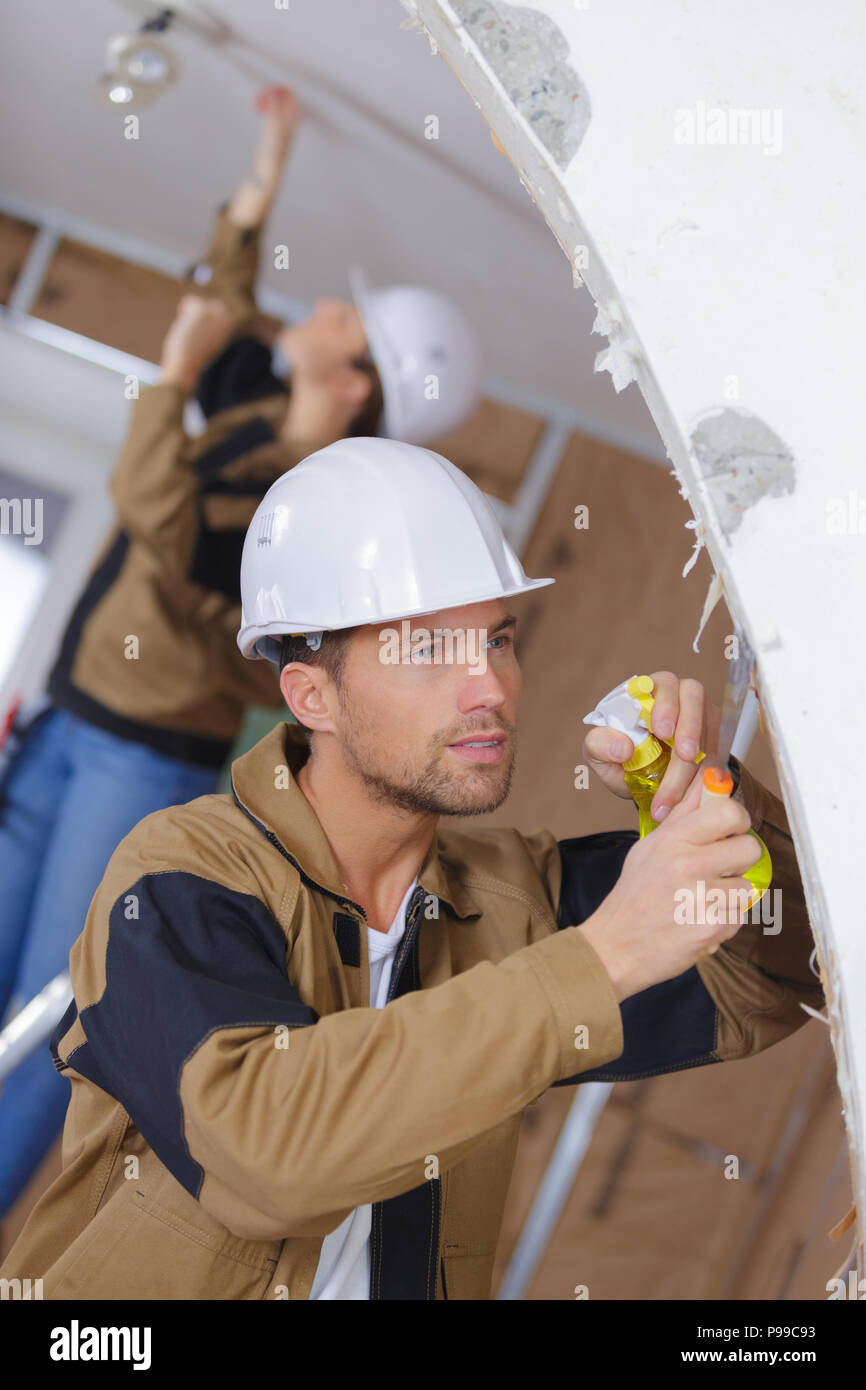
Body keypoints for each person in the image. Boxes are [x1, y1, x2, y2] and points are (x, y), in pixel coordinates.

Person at [0, 437, 821, 1300]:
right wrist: (602, 958)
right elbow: (266, 1160)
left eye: (498, 639)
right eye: (428, 649)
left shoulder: (512, 899)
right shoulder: (182, 877)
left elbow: (773, 984)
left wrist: (716, 809)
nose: (491, 688)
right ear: (313, 695)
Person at [0, 87, 481, 1216]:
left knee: (43, 1010)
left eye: (344, 316)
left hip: (142, 758)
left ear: (355, 382)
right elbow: (222, 298)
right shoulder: (258, 406)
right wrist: (265, 165)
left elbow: (160, 516)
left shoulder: (305, 518)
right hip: (74, 717)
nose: (319, 303)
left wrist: (167, 376)